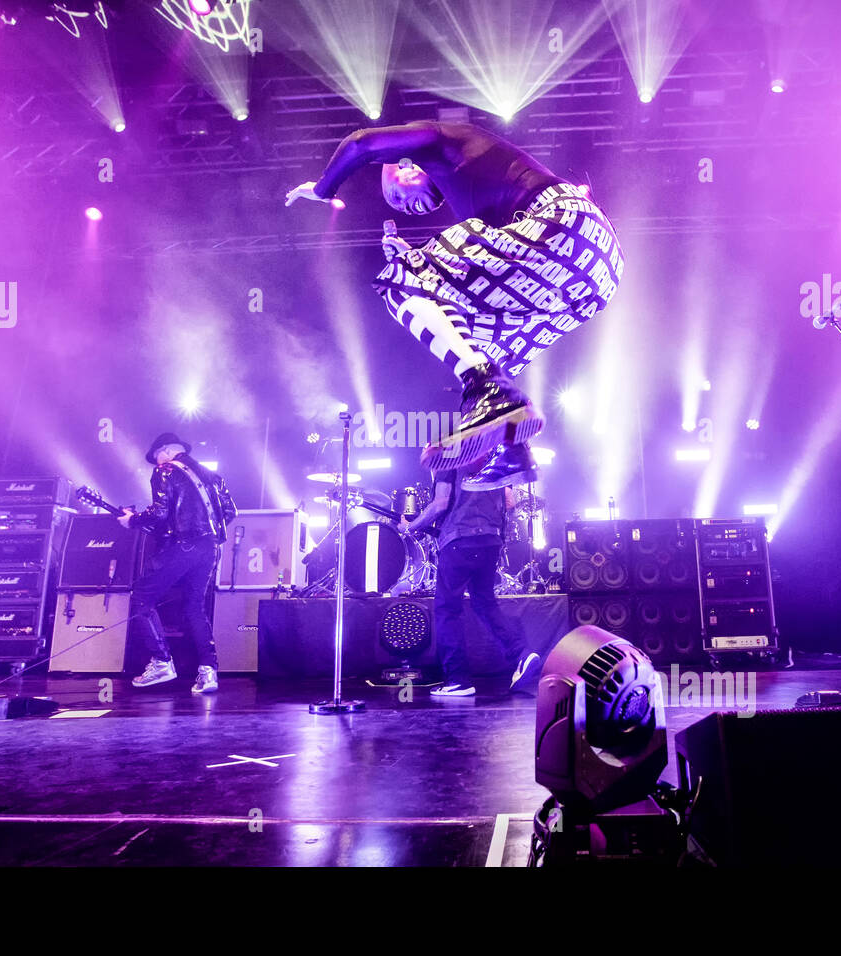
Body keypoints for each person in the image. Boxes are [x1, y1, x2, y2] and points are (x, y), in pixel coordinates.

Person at [286, 120, 623, 489]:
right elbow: (464, 280)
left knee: (398, 283)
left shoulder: (443, 140)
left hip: (566, 224)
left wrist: (323, 188)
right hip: (595, 269)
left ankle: (490, 393)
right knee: (476, 342)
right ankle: (514, 449)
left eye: (398, 197)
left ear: (404, 166)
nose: (409, 209)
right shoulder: (477, 192)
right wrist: (419, 262)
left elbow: (360, 144)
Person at [404, 458, 540, 698]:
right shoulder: (495, 460)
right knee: (485, 603)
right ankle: (521, 654)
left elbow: (440, 503)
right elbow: (510, 501)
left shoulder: (449, 458)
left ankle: (457, 680)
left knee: (447, 609)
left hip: (459, 542)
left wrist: (410, 526)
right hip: (490, 540)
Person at [118, 433, 236, 692]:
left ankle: (161, 662)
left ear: (168, 450)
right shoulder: (211, 475)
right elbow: (230, 512)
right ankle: (208, 673)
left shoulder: (165, 470)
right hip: (211, 548)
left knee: (141, 596)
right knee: (195, 606)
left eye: (157, 456)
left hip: (185, 545)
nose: (156, 461)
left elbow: (159, 512)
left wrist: (133, 520)